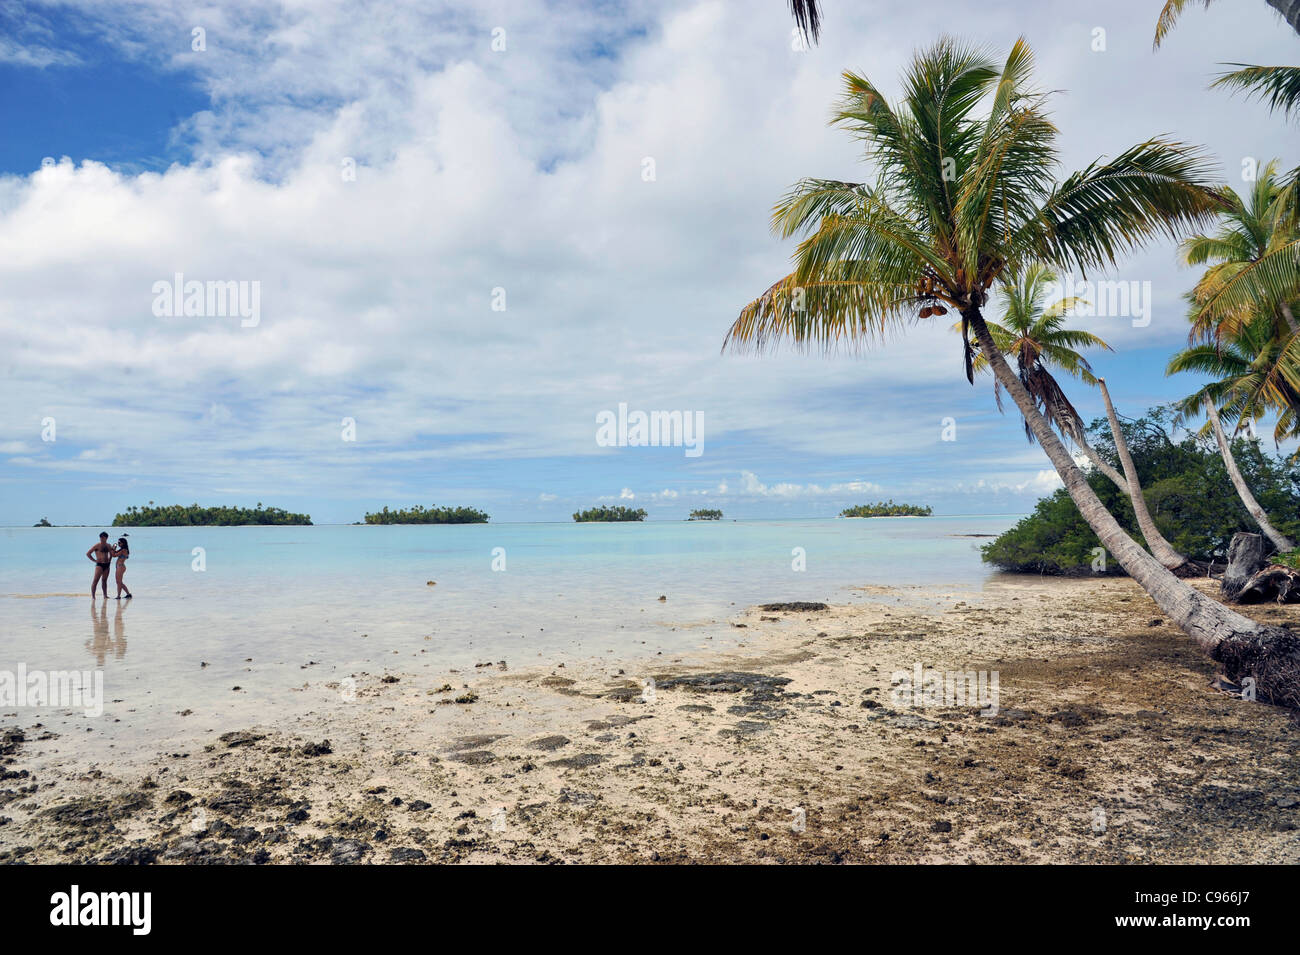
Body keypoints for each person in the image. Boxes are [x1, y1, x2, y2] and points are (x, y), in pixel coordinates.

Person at [86, 532, 113, 598]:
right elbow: (88, 553)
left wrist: (110, 559)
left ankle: (105, 595)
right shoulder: (97, 545)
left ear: (106, 538)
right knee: (95, 581)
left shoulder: (109, 545)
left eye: (102, 537)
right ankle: (93, 597)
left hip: (107, 565)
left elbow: (112, 554)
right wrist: (94, 560)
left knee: (104, 581)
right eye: (100, 537)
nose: (101, 538)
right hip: (99, 565)